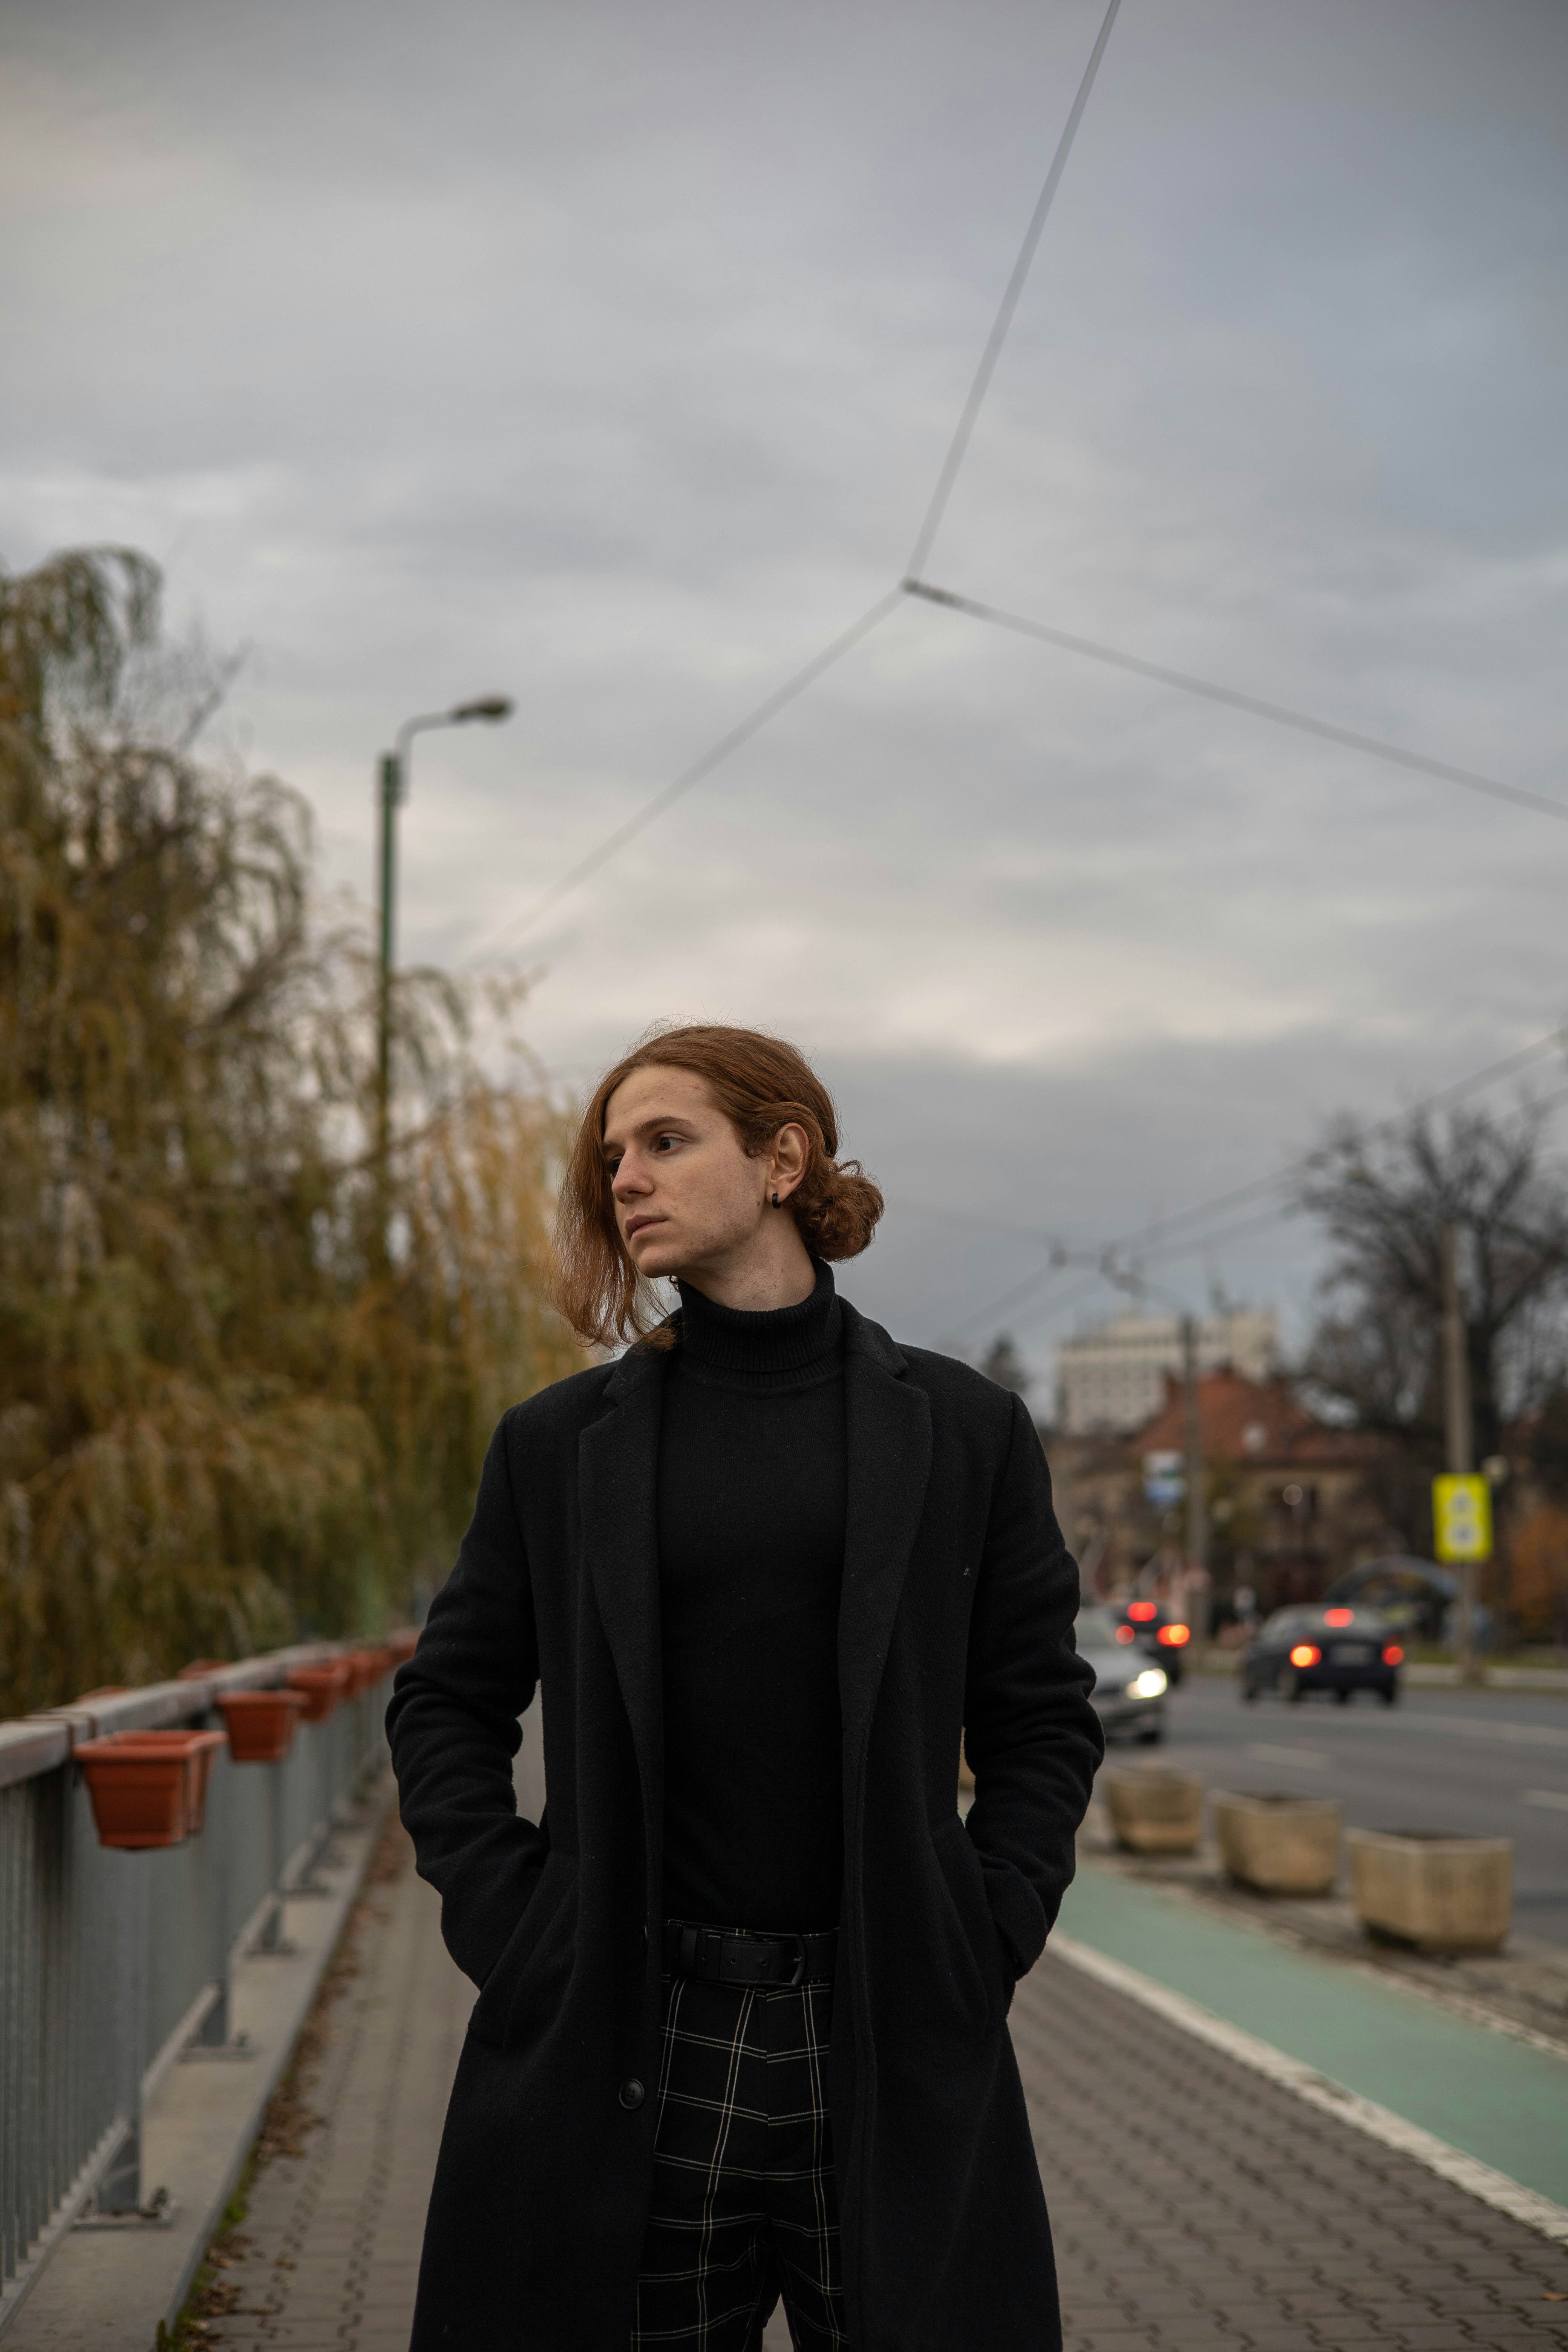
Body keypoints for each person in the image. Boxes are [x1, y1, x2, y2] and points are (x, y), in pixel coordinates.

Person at [387, 1024, 1102, 2352]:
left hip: (887, 2033)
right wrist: (516, 1925)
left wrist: (986, 1924)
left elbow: (1042, 1713)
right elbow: (446, 1701)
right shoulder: (557, 1446)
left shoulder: (962, 1431)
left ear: (784, 1160)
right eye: (614, 1156)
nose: (627, 1179)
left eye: (667, 1141)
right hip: (627, 2041)